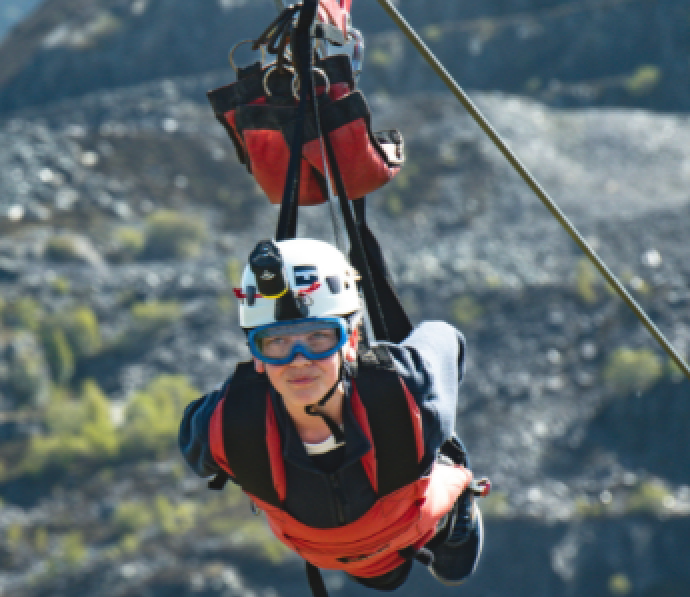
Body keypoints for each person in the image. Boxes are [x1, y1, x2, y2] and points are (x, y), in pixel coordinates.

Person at [180, 238, 485, 594]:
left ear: (351, 341)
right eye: (277, 342)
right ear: (257, 356)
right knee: (398, 572)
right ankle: (449, 497)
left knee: (388, 575)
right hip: (401, 527)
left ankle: (443, 499)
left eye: (319, 337)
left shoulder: (224, 423)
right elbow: (447, 340)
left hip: (335, 548)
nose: (299, 360)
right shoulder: (410, 386)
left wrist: (241, 395)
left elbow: (194, 444)